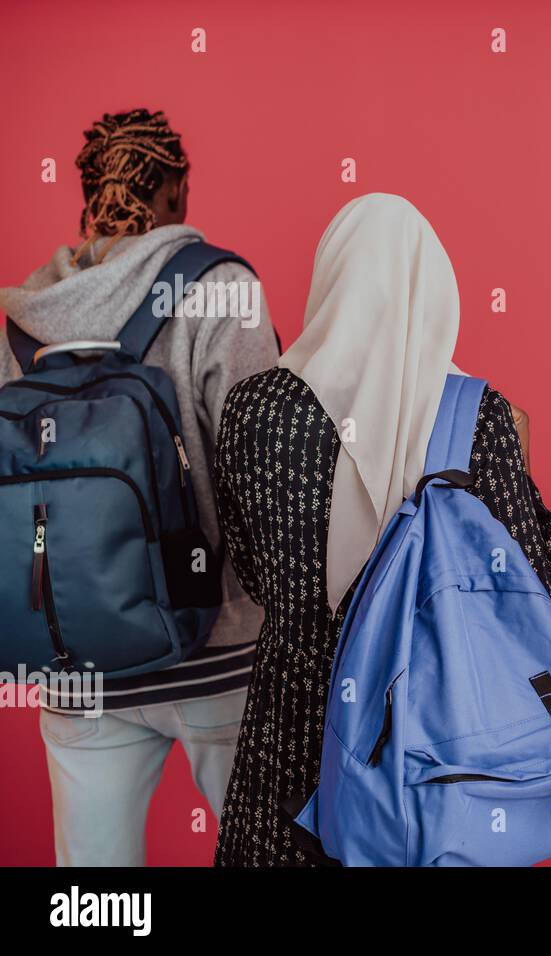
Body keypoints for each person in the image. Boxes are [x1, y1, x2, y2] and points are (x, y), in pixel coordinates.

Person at [212, 193, 551, 866]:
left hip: (290, 725)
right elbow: (535, 600)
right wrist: (523, 459)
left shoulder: (252, 408)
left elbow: (253, 578)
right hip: (433, 741)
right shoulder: (474, 416)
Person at [0, 109, 277, 865]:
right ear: (178, 192)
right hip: (216, 649)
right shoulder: (221, 287)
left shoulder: (23, 316)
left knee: (94, 894)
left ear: (85, 193)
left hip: (74, 658)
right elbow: (262, 472)